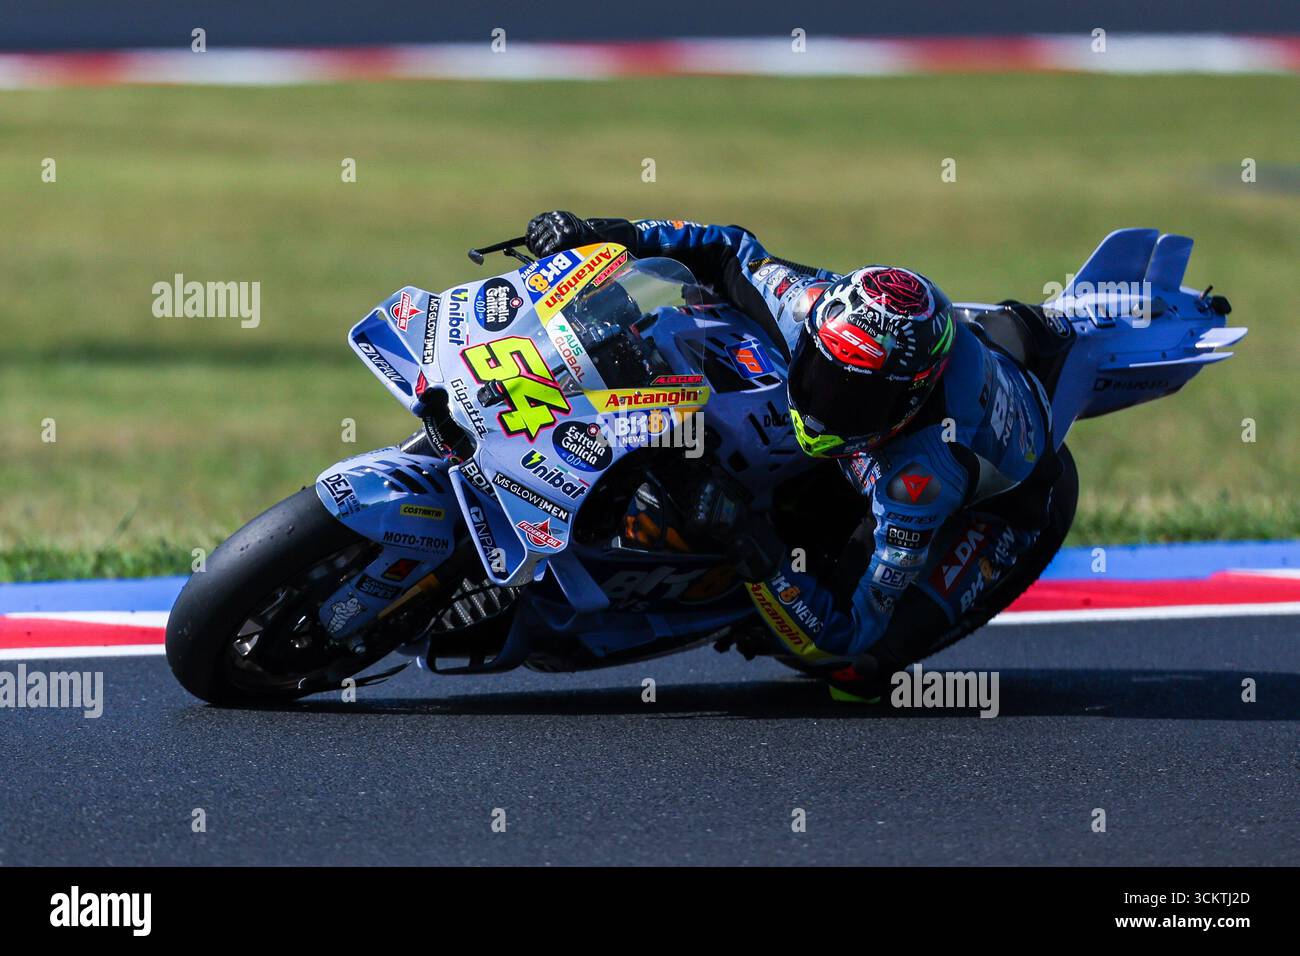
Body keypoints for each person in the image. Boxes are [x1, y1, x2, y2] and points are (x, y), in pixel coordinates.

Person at [525, 211, 1075, 698]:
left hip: (1005, 512)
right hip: (915, 402)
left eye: (851, 397)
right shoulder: (811, 305)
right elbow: (726, 248)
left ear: (908, 396)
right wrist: (607, 234)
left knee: (855, 670)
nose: (822, 403)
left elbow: (851, 629)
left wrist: (746, 537)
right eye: (818, 370)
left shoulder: (922, 479)